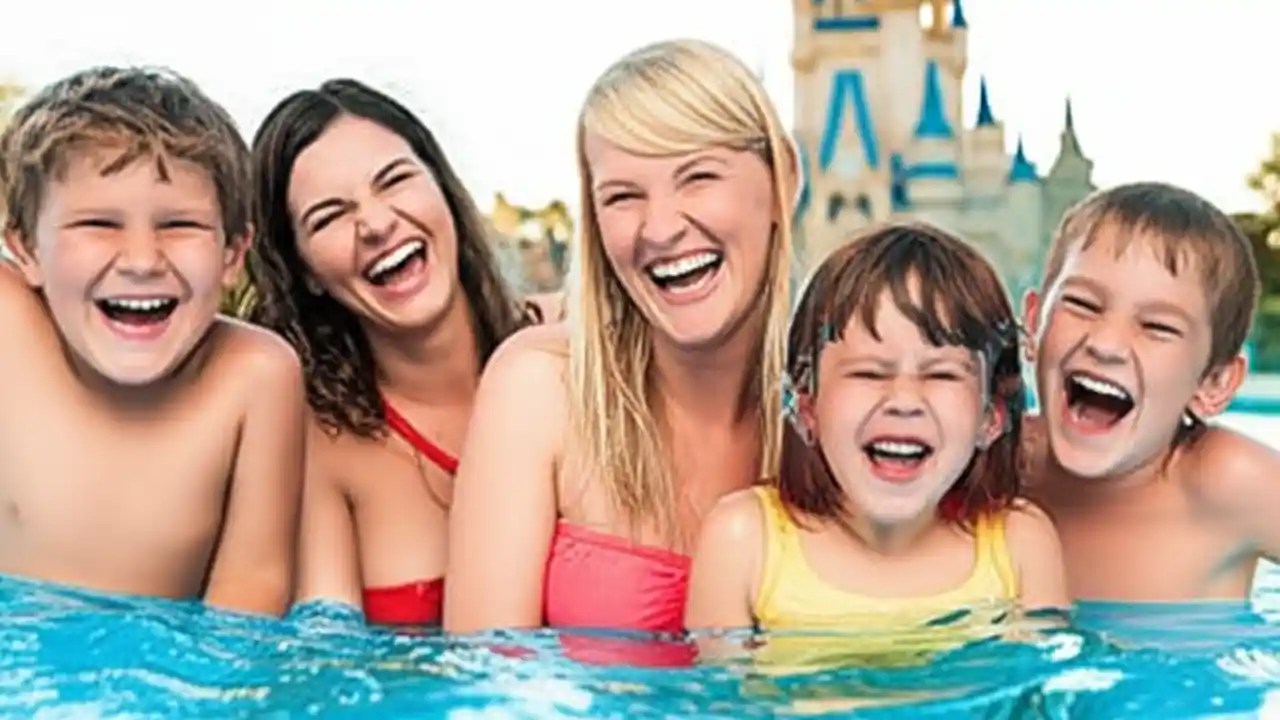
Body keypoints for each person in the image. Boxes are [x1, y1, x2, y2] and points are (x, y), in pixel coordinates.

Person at [444, 38, 798, 638]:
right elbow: (486, 675)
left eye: (698, 177)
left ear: (783, 181)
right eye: (622, 197)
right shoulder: (540, 388)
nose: (659, 228)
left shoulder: (854, 403)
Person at [684, 222, 1067, 659]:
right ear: (806, 405)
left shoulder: (1019, 545)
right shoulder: (745, 541)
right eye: (869, 372)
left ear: (991, 416)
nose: (903, 400)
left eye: (941, 374)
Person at [0, 65, 303, 616]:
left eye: (179, 225)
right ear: (25, 250)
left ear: (233, 254)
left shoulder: (254, 375)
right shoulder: (9, 324)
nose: (142, 261)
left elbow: (251, 594)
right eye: (97, 223)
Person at [247, 79, 533, 626]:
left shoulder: (567, 355)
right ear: (304, 270)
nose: (377, 225)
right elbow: (330, 664)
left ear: (443, 187)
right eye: (329, 216)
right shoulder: (318, 445)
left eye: (395, 180)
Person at [1022, 181, 1280, 602]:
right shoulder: (995, 469)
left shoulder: (1226, 482)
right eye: (1083, 304)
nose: (1105, 343)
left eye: (1158, 326)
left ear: (1214, 383)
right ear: (1034, 324)